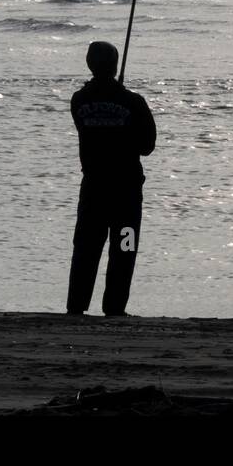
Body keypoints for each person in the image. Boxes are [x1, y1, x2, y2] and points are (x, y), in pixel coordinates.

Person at [66, 40, 156, 316]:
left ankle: (76, 307)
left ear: (89, 64)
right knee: (124, 247)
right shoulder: (133, 102)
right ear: (115, 65)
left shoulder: (79, 100)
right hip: (125, 190)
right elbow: (147, 146)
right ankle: (115, 307)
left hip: (93, 186)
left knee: (86, 248)